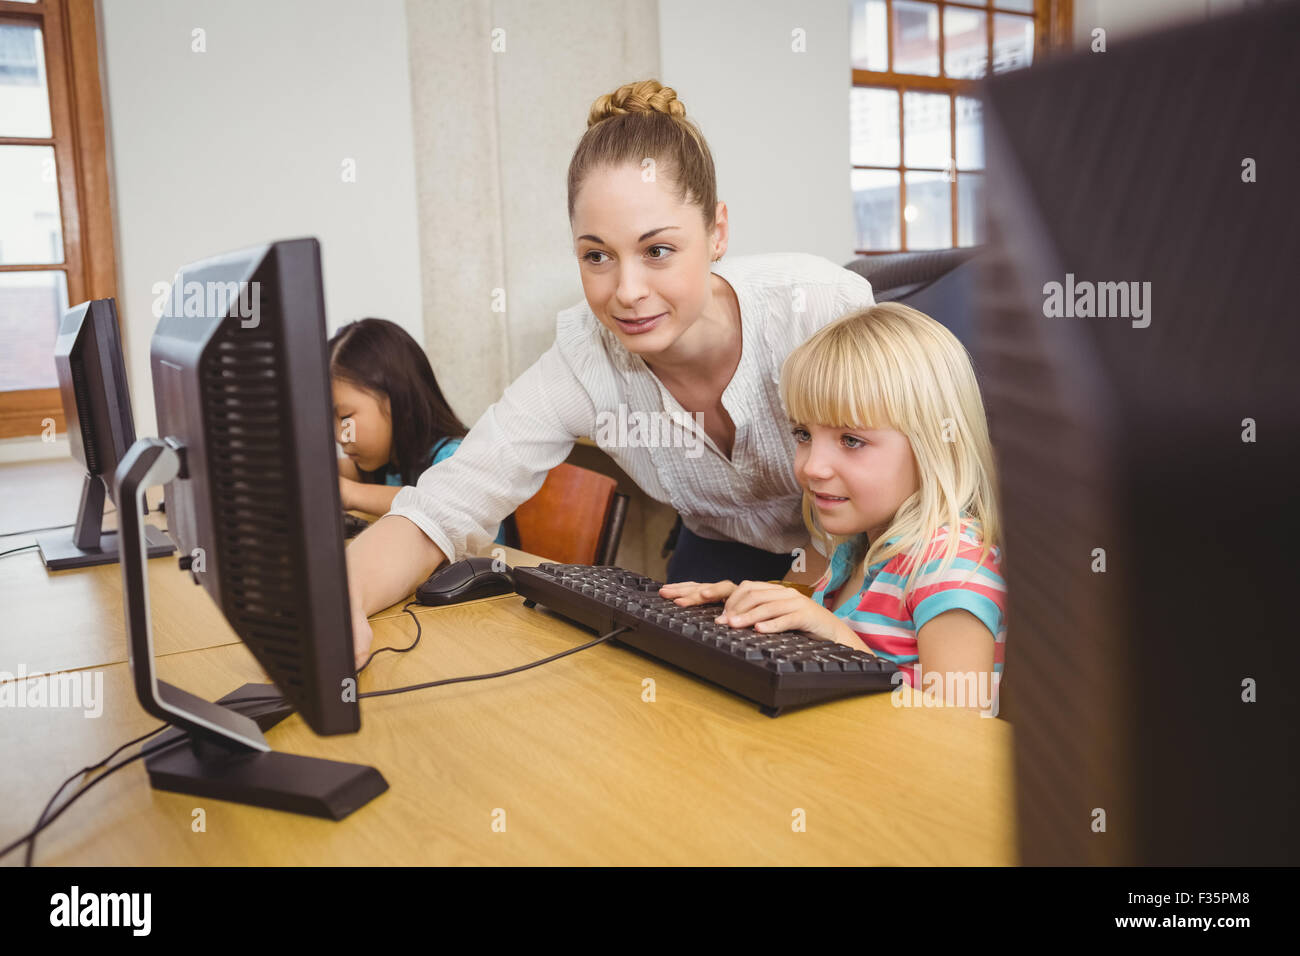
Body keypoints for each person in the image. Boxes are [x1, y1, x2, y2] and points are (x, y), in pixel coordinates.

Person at [344, 79, 875, 668]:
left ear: (717, 231)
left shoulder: (819, 308)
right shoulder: (587, 359)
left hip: (858, 557)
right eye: (597, 256)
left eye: (658, 251)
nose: (627, 293)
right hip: (721, 555)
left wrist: (812, 595)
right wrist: (341, 602)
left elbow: (923, 479)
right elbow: (448, 502)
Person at [660, 303, 1007, 711]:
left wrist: (834, 637)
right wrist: (744, 607)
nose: (812, 466)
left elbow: (957, 731)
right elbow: (795, 630)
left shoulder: (952, 568)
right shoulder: (839, 545)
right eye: (803, 433)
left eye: (851, 440)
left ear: (933, 445)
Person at [329, 317, 505, 542]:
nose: (338, 435)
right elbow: (327, 471)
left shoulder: (454, 456)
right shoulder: (386, 461)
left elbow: (437, 506)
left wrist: (351, 494)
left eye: (345, 417)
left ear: (399, 401)